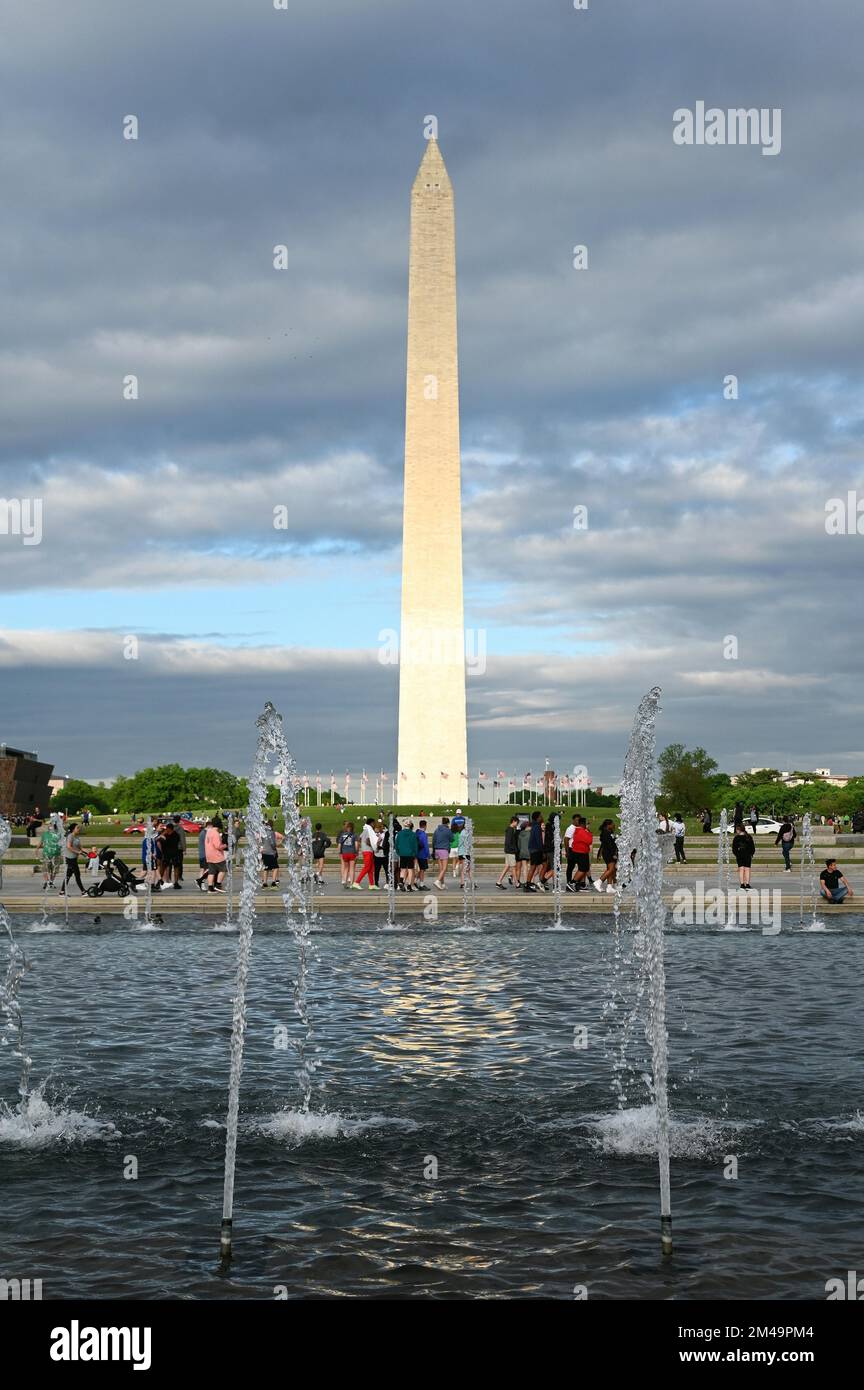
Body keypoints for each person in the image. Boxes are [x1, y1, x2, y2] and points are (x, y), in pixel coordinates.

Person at [59, 822, 88, 896]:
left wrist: (90, 852)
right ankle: (83, 891)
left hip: (74, 859)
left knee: (68, 875)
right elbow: (69, 847)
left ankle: (62, 892)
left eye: (79, 828)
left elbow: (81, 847)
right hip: (69, 858)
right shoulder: (70, 836)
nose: (79, 829)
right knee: (77, 874)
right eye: (77, 828)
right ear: (73, 829)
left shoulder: (77, 837)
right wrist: (78, 852)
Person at [353, 817, 379, 891]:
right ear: (371, 823)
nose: (375, 824)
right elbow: (367, 841)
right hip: (368, 851)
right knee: (367, 867)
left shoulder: (366, 830)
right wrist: (375, 847)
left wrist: (362, 845)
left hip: (367, 850)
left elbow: (359, 838)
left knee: (371, 868)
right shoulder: (368, 830)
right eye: (374, 823)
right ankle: (356, 882)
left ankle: (371, 884)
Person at [569, 816, 593, 891]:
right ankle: (572, 883)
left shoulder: (578, 830)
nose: (587, 825)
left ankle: (578, 883)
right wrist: (588, 832)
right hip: (581, 852)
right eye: (586, 823)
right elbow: (589, 841)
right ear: (583, 824)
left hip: (579, 851)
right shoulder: (582, 831)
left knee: (583, 868)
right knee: (583, 869)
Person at [594, 818, 618, 892]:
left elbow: (604, 845)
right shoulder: (606, 833)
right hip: (609, 853)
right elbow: (608, 845)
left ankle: (609, 886)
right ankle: (599, 881)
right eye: (612, 824)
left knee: (611, 869)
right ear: (608, 825)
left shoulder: (608, 832)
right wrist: (614, 854)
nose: (613, 825)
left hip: (609, 852)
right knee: (611, 869)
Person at [496, 815, 520, 890]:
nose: (517, 824)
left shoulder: (510, 829)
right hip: (510, 852)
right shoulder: (510, 830)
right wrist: (514, 850)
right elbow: (508, 842)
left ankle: (499, 882)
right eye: (517, 822)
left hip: (508, 851)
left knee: (507, 867)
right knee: (513, 867)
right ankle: (517, 884)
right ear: (514, 821)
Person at [205, 815, 227, 893]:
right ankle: (218, 885)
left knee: (211, 872)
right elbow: (217, 846)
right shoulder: (216, 833)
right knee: (223, 869)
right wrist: (225, 845)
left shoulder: (209, 831)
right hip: (217, 855)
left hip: (209, 855)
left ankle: (210, 888)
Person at [395, 819, 419, 891]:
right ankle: (409, 885)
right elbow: (415, 845)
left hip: (402, 853)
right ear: (410, 825)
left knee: (403, 869)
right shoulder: (413, 834)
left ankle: (401, 881)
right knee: (410, 869)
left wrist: (398, 852)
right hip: (410, 854)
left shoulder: (399, 834)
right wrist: (415, 853)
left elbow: (396, 844)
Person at [731, 822, 755, 889]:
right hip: (747, 855)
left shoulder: (736, 838)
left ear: (739, 830)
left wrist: (737, 854)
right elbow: (752, 847)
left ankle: (742, 884)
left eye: (736, 829)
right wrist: (751, 854)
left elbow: (734, 848)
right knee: (747, 869)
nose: (736, 831)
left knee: (741, 869)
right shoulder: (748, 837)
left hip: (740, 855)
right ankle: (747, 884)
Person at [39, 821, 61, 889]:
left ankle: (51, 881)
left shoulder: (59, 834)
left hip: (56, 854)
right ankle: (47, 881)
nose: (50, 826)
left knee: (54, 870)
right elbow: (41, 842)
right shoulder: (45, 834)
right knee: (45, 869)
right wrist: (37, 849)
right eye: (49, 825)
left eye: (52, 825)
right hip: (46, 854)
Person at [261, 818, 281, 888]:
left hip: (264, 852)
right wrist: (277, 844)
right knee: (275, 867)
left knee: (266, 868)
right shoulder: (271, 832)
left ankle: (264, 883)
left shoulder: (263, 832)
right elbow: (272, 843)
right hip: (271, 852)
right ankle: (273, 882)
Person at [337, 821, 358, 889]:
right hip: (352, 852)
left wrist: (340, 852)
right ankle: (351, 883)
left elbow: (339, 844)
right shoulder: (354, 835)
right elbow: (356, 845)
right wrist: (356, 852)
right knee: (351, 868)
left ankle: (344, 880)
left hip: (344, 853)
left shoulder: (343, 835)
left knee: (346, 868)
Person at [432, 817, 451, 890]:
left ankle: (442, 884)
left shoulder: (436, 830)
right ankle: (438, 881)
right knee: (444, 868)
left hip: (437, 849)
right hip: (444, 850)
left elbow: (434, 840)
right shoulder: (448, 830)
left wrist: (433, 850)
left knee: (441, 868)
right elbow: (452, 838)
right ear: (447, 823)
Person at [564, 814, 580, 887]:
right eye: (577, 820)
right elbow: (566, 839)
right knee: (570, 867)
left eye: (579, 820)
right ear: (573, 820)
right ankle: (569, 882)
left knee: (581, 867)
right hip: (571, 849)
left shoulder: (578, 828)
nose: (578, 821)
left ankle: (575, 882)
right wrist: (567, 851)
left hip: (577, 849)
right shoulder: (571, 828)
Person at [373, 820, 388, 887]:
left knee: (387, 870)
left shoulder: (385, 834)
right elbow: (374, 845)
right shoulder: (375, 835)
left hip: (384, 854)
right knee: (377, 870)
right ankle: (376, 882)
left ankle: (388, 882)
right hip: (377, 854)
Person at [416, 819, 430, 888]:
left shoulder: (417, 833)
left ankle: (415, 881)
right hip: (423, 854)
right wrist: (428, 855)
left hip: (418, 854)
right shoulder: (423, 834)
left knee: (420, 869)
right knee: (422, 870)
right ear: (425, 826)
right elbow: (426, 845)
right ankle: (421, 884)